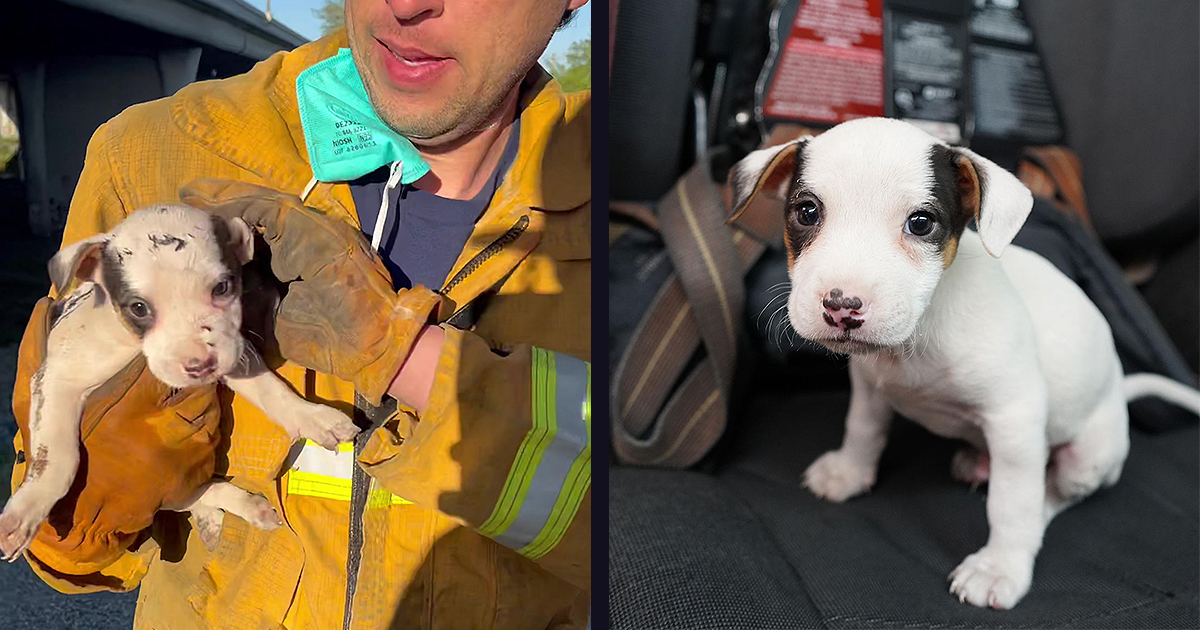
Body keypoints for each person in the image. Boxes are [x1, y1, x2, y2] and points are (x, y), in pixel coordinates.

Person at [6, 0, 591, 628]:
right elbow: (72, 555)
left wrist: (397, 353)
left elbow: (656, 539)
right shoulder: (150, 153)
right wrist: (87, 500)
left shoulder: (631, 220)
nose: (405, 3)